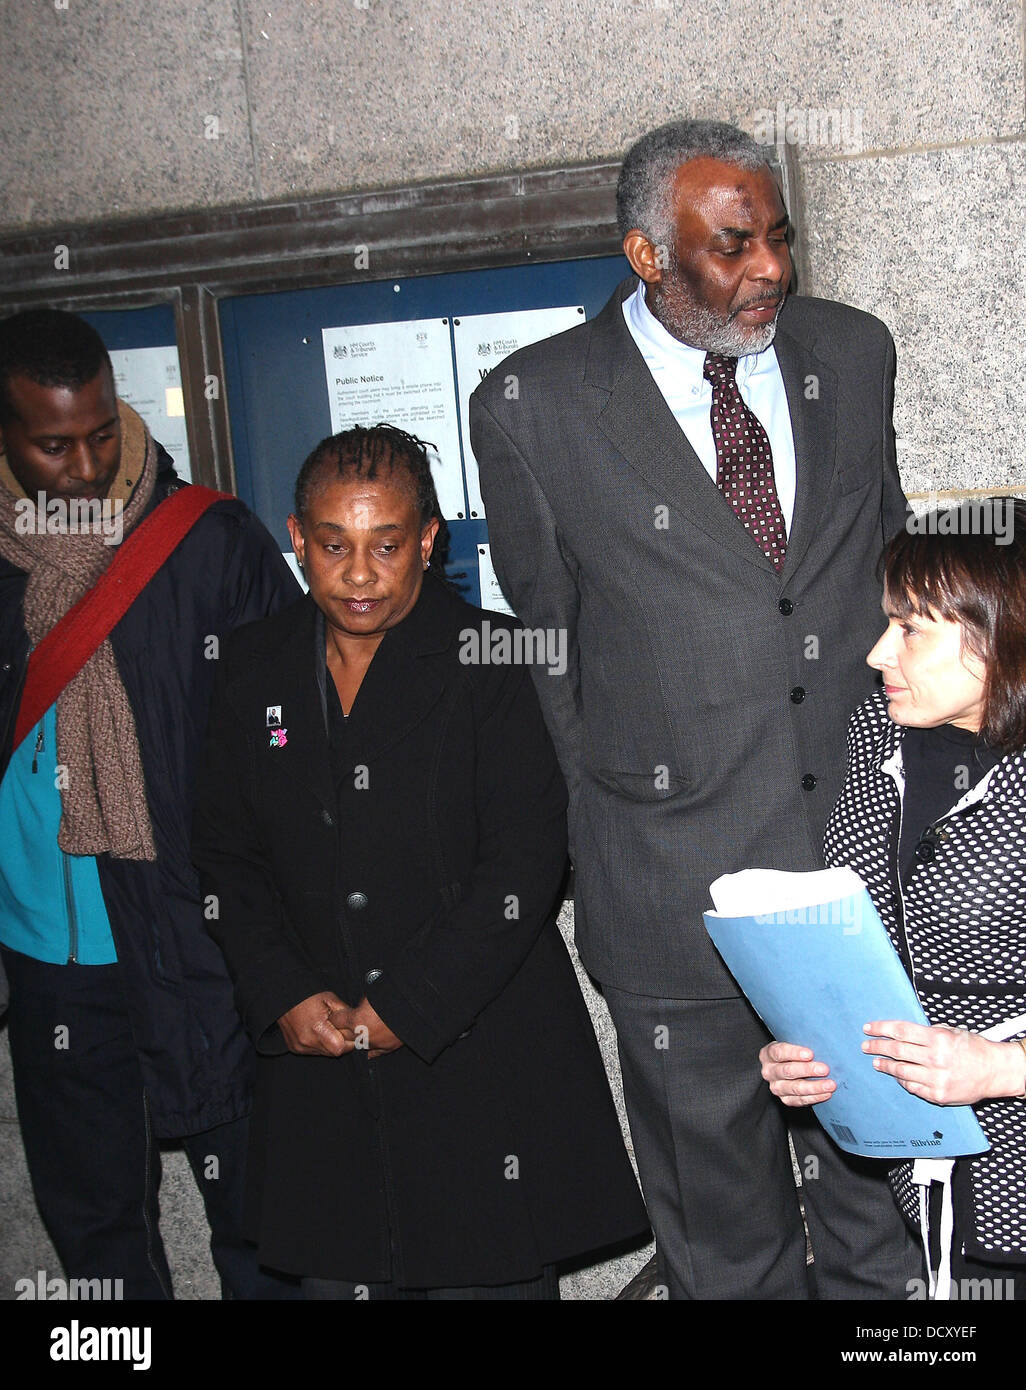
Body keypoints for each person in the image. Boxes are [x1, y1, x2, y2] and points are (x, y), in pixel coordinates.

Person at [469, 118, 920, 1298]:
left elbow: (895, 581)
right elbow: (550, 647)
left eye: (778, 237)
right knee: (723, 1246)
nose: (768, 268)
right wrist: (626, 824)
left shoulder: (852, 353)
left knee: (881, 1220)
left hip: (856, 882)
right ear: (645, 253)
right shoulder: (534, 404)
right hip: (673, 900)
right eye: (732, 246)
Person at [191, 424, 649, 1299]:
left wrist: (410, 1004)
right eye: (333, 545)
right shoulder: (250, 666)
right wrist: (278, 988)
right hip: (317, 1067)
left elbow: (525, 861)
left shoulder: (499, 656)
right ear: (297, 539)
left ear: (429, 542)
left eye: (387, 545)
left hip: (477, 1063)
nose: (359, 572)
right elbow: (224, 851)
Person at [0, 308, 300, 1298]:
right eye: (53, 444)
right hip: (48, 958)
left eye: (100, 432)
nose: (86, 468)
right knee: (95, 1240)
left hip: (194, 936)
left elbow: (291, 738)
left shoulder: (208, 542)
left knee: (261, 1224)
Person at [762, 499, 1026, 1299]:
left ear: (1003, 633)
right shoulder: (878, 735)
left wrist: (1000, 1069)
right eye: (887, 622)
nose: (879, 651)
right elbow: (863, 936)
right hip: (937, 1186)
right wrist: (810, 1044)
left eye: (912, 629)